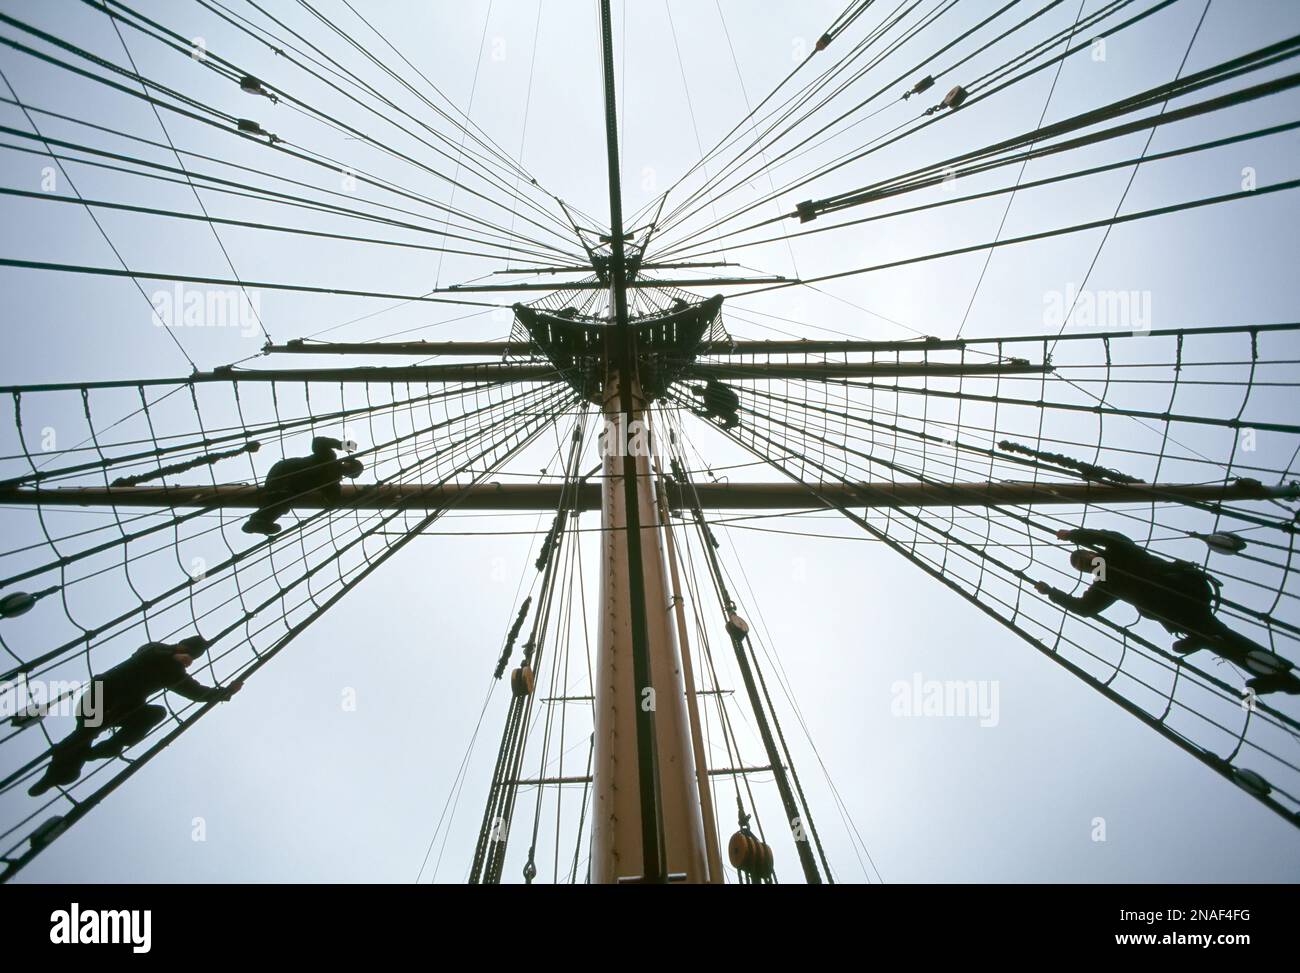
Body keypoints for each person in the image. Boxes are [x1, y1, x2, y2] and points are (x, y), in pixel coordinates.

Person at [1035, 527, 1299, 695]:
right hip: (1178, 613)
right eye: (1082, 565)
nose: (1086, 563)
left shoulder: (1118, 552)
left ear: (1093, 552)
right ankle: (1278, 675)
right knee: (1213, 636)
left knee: (1209, 632)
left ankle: (1278, 674)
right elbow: (1085, 608)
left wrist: (1074, 535)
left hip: (1184, 589)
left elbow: (1107, 538)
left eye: (1083, 557)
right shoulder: (1105, 581)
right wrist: (1052, 593)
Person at [28, 636, 241, 796]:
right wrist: (173, 656)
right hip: (101, 694)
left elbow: (197, 692)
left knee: (156, 713)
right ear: (181, 645)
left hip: (124, 708)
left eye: (191, 654)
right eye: (187, 651)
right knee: (85, 733)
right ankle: (60, 771)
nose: (187, 656)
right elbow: (145, 655)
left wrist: (225, 692)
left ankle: (98, 752)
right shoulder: (156, 648)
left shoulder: (174, 673)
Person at [243, 436, 364, 535]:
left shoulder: (332, 484)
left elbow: (333, 499)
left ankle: (259, 522)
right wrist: (343, 445)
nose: (349, 470)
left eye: (352, 472)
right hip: (284, 472)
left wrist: (363, 494)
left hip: (288, 488)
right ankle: (257, 520)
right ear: (347, 462)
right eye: (352, 467)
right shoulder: (329, 457)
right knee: (283, 496)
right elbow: (318, 442)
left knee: (285, 499)